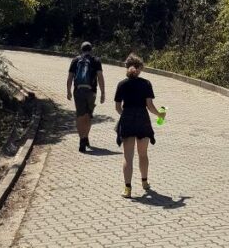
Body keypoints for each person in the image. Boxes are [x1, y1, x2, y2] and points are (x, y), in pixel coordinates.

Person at [114, 53, 163, 198]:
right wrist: (160, 115)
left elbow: (118, 107)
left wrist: (126, 115)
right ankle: (145, 182)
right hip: (142, 119)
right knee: (143, 154)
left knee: (128, 157)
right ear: (140, 67)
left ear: (127, 67)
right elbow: (150, 106)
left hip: (127, 118)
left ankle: (127, 189)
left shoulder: (122, 84)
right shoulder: (146, 84)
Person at [67, 42, 105, 153]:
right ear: (91, 50)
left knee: (80, 115)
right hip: (91, 91)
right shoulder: (96, 61)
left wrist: (68, 91)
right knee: (88, 115)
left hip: (78, 91)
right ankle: (85, 137)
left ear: (81, 49)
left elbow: (70, 78)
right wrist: (103, 93)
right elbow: (100, 77)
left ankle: (82, 139)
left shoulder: (75, 60)